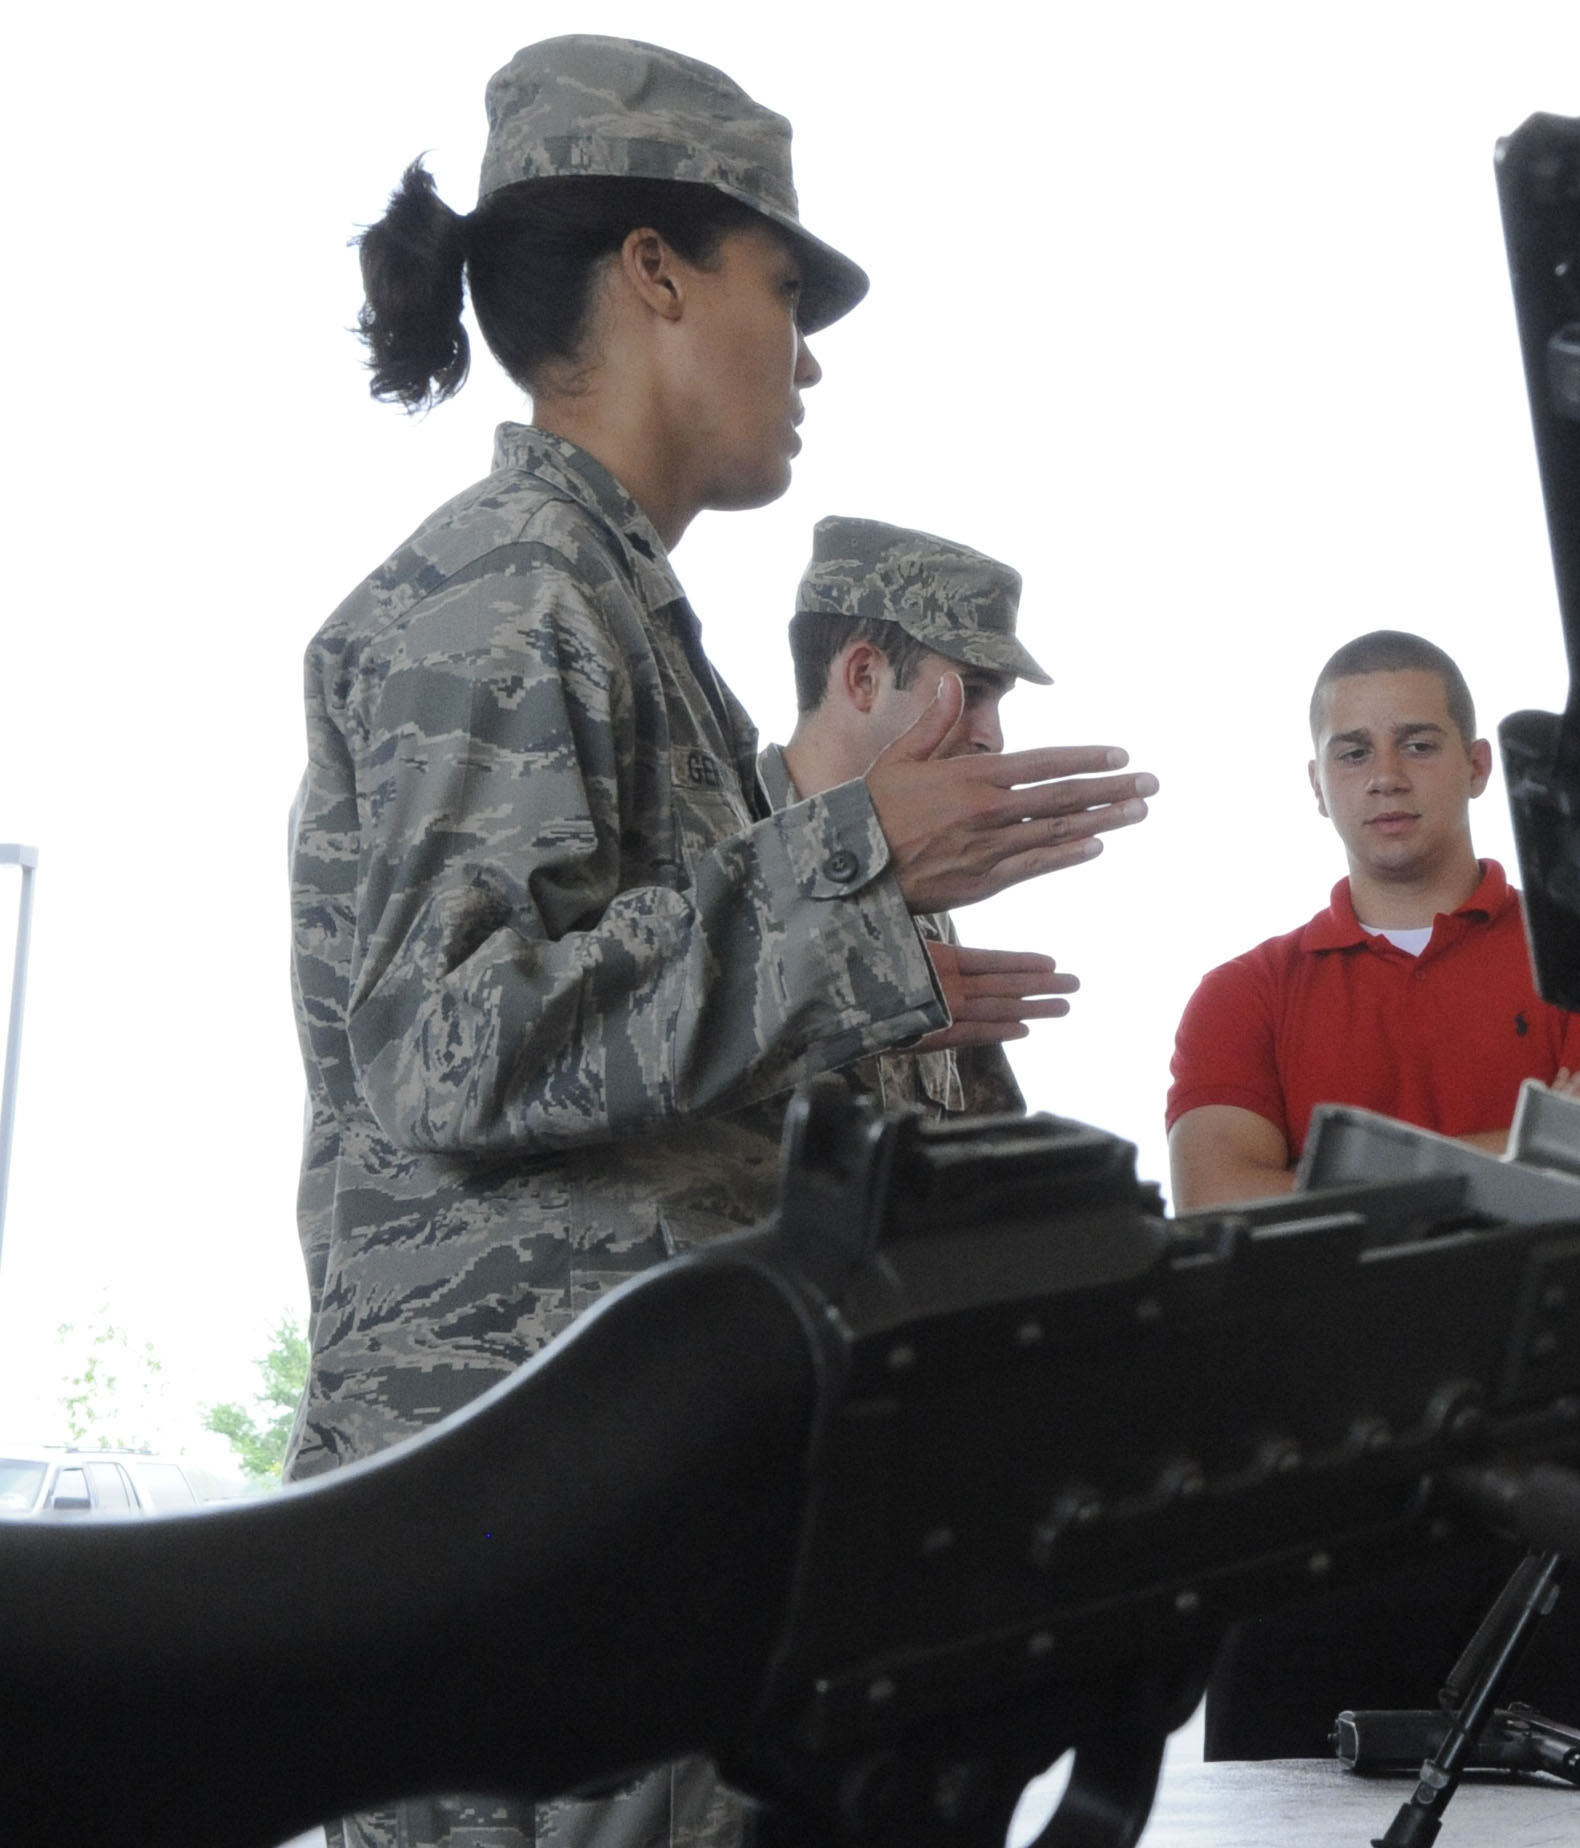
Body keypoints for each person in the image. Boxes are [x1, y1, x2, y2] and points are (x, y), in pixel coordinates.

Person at [290, 36, 1154, 1846]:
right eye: (783, 283)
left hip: (605, 1554)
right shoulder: (509, 586)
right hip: (513, 1573)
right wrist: (849, 872)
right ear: (655, 271)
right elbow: (455, 1040)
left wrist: (874, 976)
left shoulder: (613, 604)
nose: (813, 349)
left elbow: (633, 1070)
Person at [1166, 629, 1580, 1759]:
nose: (1385, 774)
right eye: (1353, 750)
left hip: (1561, 1479)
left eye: (1419, 742)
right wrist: (1526, 1145)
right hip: (1315, 1486)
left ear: (1478, 764)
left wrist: (1327, 1184)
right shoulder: (1242, 995)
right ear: (1317, 782)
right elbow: (1218, 1209)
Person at [765, 515, 1067, 1120]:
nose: (993, 738)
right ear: (864, 677)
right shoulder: (711, 854)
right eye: (971, 693)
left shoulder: (919, 903)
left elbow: (981, 1156)